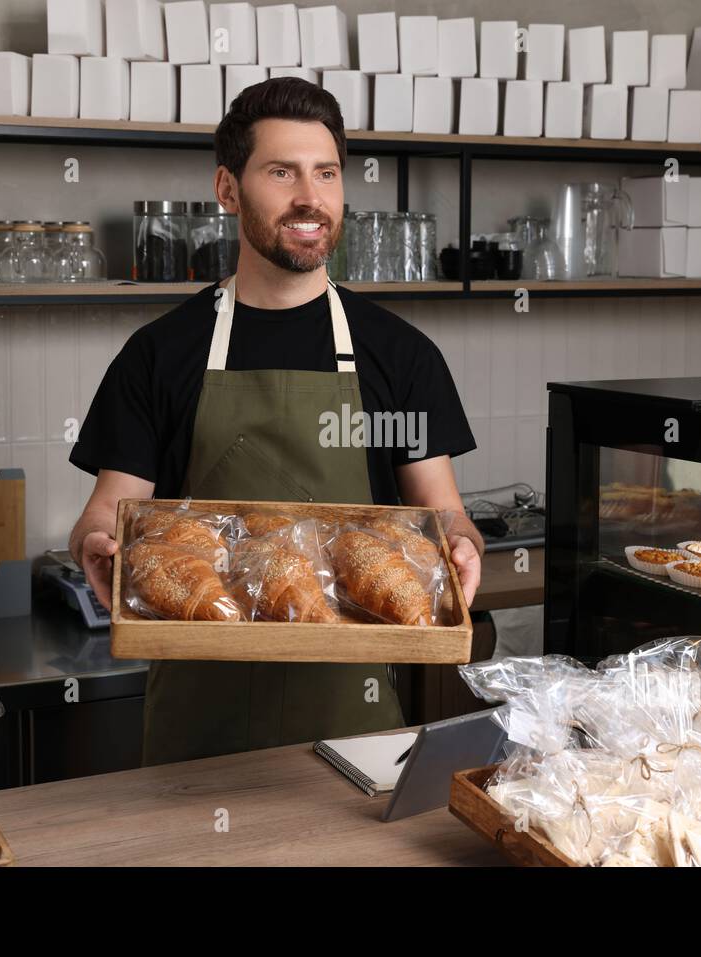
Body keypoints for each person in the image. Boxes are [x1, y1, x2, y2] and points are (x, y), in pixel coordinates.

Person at [68, 77, 482, 766]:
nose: (309, 199)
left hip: (356, 728)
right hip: (197, 736)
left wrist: (463, 548)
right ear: (228, 190)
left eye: (326, 174)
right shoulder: (161, 354)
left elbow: (446, 517)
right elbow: (107, 514)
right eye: (281, 172)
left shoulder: (402, 356)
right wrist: (94, 546)